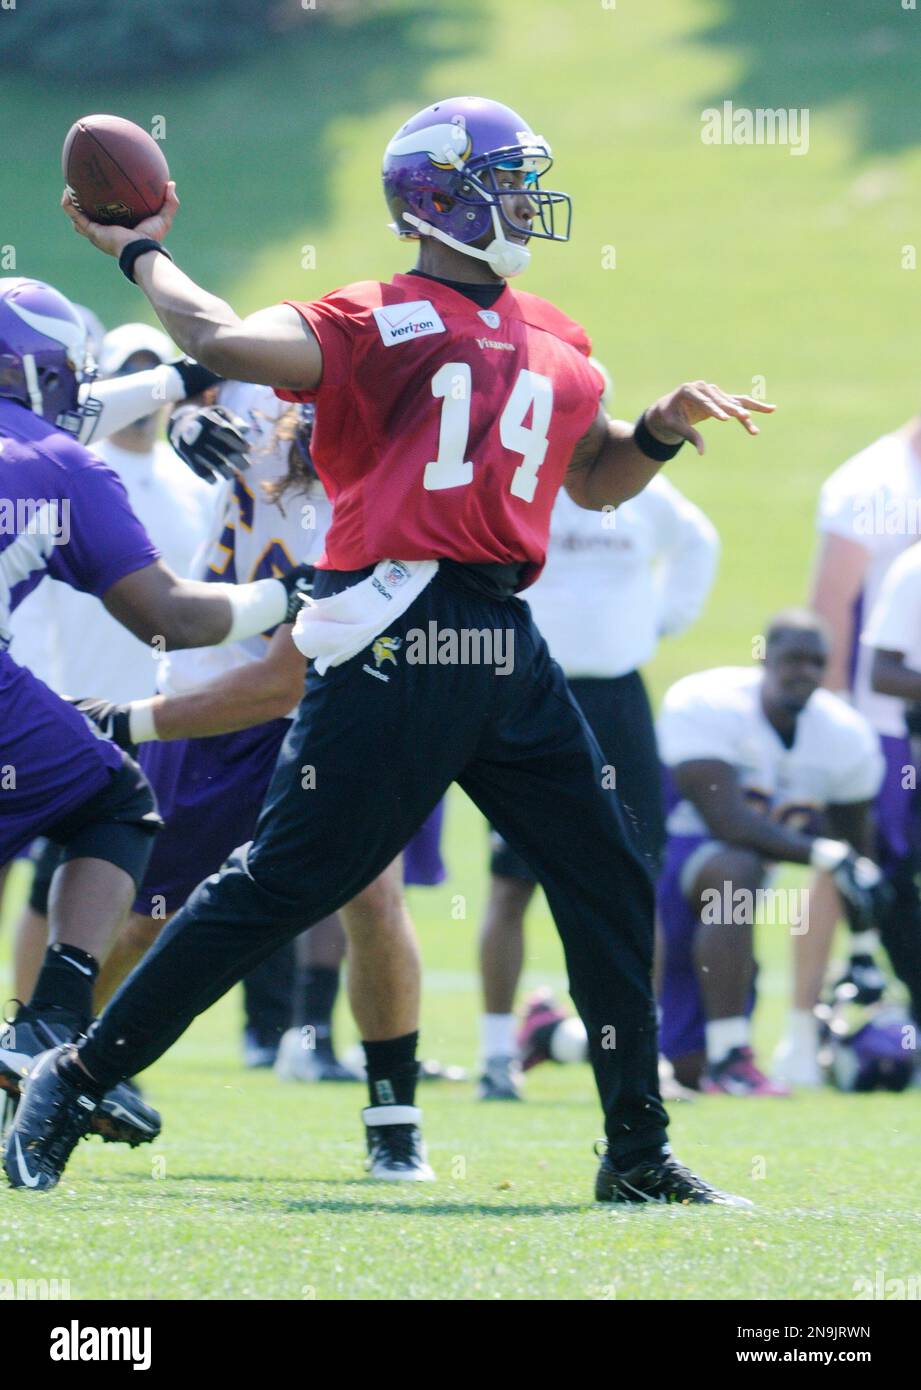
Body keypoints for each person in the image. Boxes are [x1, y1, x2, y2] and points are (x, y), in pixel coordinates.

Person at [8, 96, 771, 1203]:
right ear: (438, 195)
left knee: (606, 871)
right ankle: (74, 1079)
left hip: (501, 634)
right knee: (283, 882)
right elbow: (221, 343)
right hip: (396, 631)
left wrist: (654, 432)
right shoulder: (371, 317)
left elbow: (595, 478)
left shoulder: (556, 335)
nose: (525, 200)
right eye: (507, 178)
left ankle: (638, 1152)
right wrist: (142, 254)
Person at [0, 276, 313, 1149]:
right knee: (114, 800)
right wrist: (282, 598)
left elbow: (66, 411)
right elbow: (171, 619)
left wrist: (179, 379)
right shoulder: (57, 463)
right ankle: (52, 1024)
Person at [478, 459, 719, 1099]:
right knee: (512, 880)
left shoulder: (644, 490)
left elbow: (699, 542)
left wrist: (660, 620)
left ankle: (650, 1053)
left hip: (618, 695)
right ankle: (495, 1053)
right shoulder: (520, 481)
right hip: (532, 691)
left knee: (639, 873)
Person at [656, 609, 889, 1093]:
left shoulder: (843, 737)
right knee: (735, 864)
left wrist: (863, 950)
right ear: (765, 658)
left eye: (815, 662)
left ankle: (725, 1059)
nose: (802, 672)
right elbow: (728, 823)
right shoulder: (708, 704)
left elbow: (856, 857)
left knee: (686, 1069)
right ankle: (729, 1056)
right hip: (665, 871)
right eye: (791, 659)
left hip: (731, 908)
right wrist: (826, 854)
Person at [786, 417, 921, 1082]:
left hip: (906, 717)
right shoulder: (872, 484)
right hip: (876, 719)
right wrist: (836, 722)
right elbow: (829, 604)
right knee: (841, 861)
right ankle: (798, 1029)